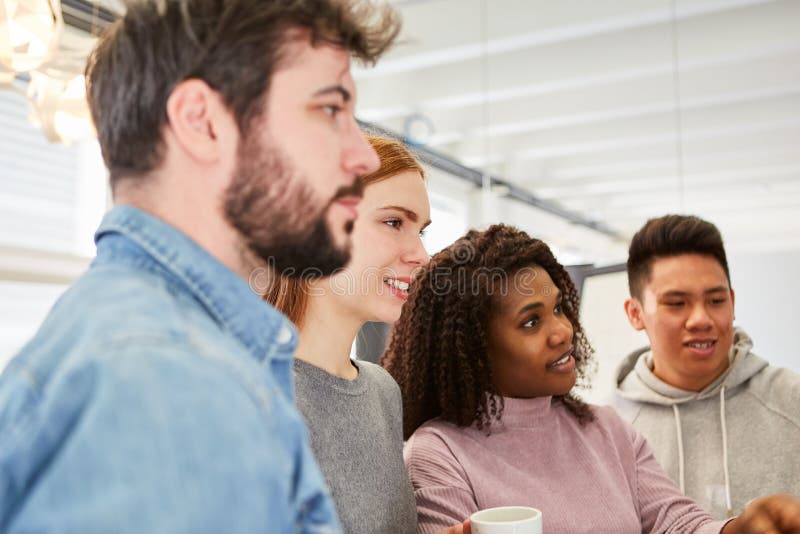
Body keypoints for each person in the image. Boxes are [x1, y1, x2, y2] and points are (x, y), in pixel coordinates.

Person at [0, 1, 400, 532]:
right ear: (202, 122)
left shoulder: (144, 345)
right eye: (330, 109)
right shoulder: (165, 381)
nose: (363, 157)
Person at [383, 224, 800, 534]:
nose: (563, 331)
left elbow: (675, 522)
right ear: (474, 348)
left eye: (558, 309)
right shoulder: (438, 455)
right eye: (531, 322)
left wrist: (738, 528)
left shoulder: (605, 429)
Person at [263, 134, 430, 534]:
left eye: (420, 231)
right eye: (394, 222)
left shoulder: (382, 391)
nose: (421, 256)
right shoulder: (255, 399)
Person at [614, 214, 800, 519]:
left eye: (715, 300)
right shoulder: (609, 431)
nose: (701, 319)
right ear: (635, 313)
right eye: (677, 303)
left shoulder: (791, 401)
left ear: (733, 302)